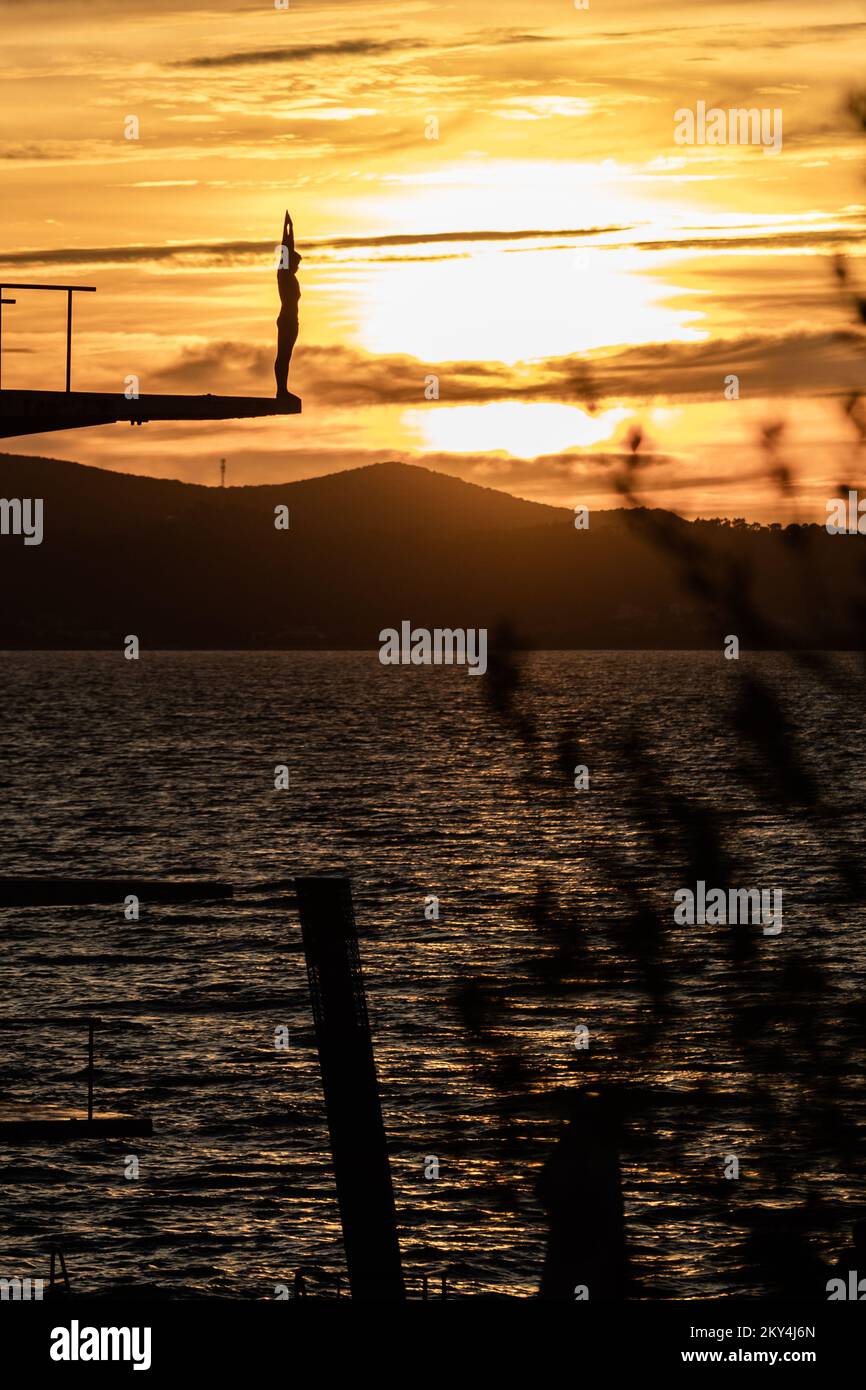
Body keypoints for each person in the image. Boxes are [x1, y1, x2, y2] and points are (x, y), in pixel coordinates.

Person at [274, 210, 301, 397]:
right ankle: (281, 390)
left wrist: (292, 230)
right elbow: (286, 249)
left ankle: (283, 389)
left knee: (287, 357)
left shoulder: (290, 276)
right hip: (286, 320)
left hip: (292, 321)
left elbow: (289, 251)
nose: (298, 267)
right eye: (296, 263)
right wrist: (287, 230)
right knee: (283, 356)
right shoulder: (284, 275)